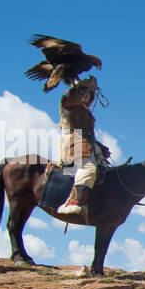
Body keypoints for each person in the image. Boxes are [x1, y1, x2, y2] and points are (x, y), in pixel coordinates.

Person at [56, 76, 109, 218]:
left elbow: (90, 135)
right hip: (73, 140)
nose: (89, 98)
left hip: (86, 143)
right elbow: (70, 99)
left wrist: (101, 147)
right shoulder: (68, 102)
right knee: (89, 169)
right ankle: (73, 203)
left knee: (105, 171)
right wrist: (80, 89)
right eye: (87, 94)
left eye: (91, 95)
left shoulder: (87, 113)